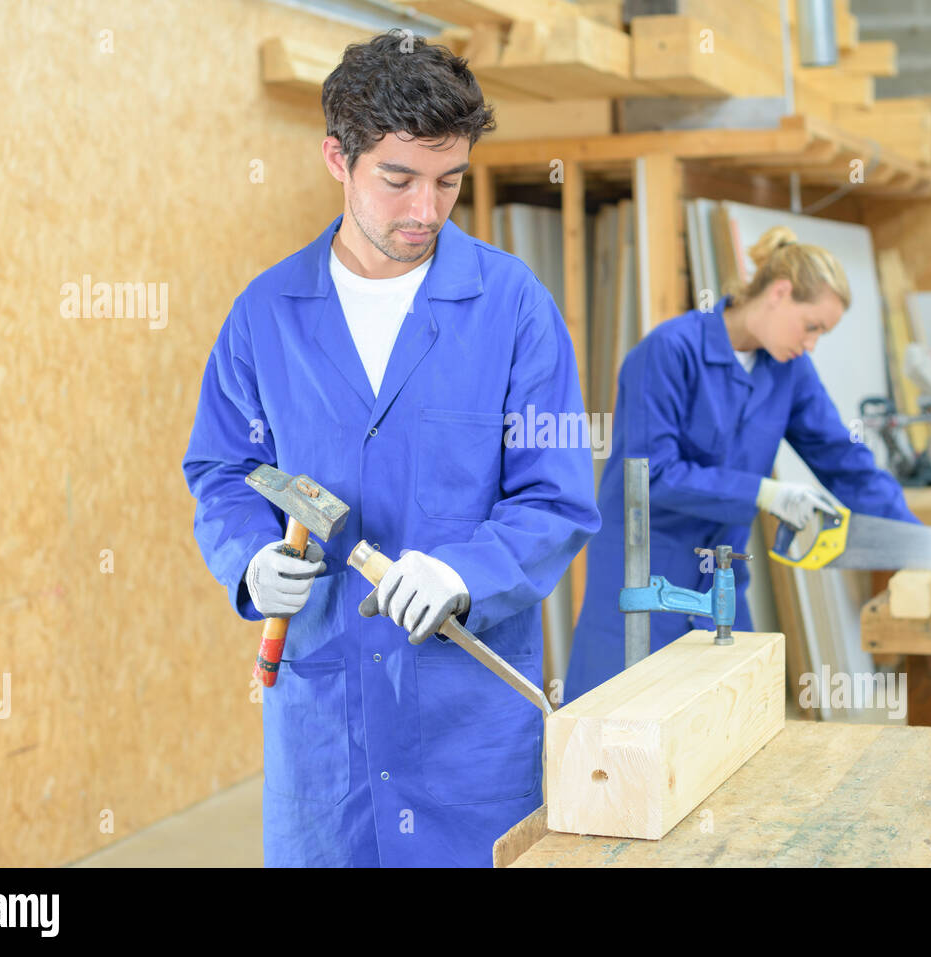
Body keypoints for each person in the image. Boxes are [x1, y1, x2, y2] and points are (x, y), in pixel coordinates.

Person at [181, 31, 599, 867]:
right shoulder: (266, 316)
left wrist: (463, 572)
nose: (425, 210)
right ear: (337, 158)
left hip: (467, 721)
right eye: (398, 179)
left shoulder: (513, 307)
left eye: (449, 181)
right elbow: (224, 470)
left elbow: (556, 496)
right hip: (324, 721)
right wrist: (248, 561)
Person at [563, 226, 920, 703]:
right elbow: (653, 476)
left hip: (721, 578)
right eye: (811, 325)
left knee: (732, 729)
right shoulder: (669, 352)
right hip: (646, 576)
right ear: (779, 293)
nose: (812, 343)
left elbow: (843, 461)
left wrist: (915, 541)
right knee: (622, 731)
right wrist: (764, 492)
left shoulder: (787, 369)